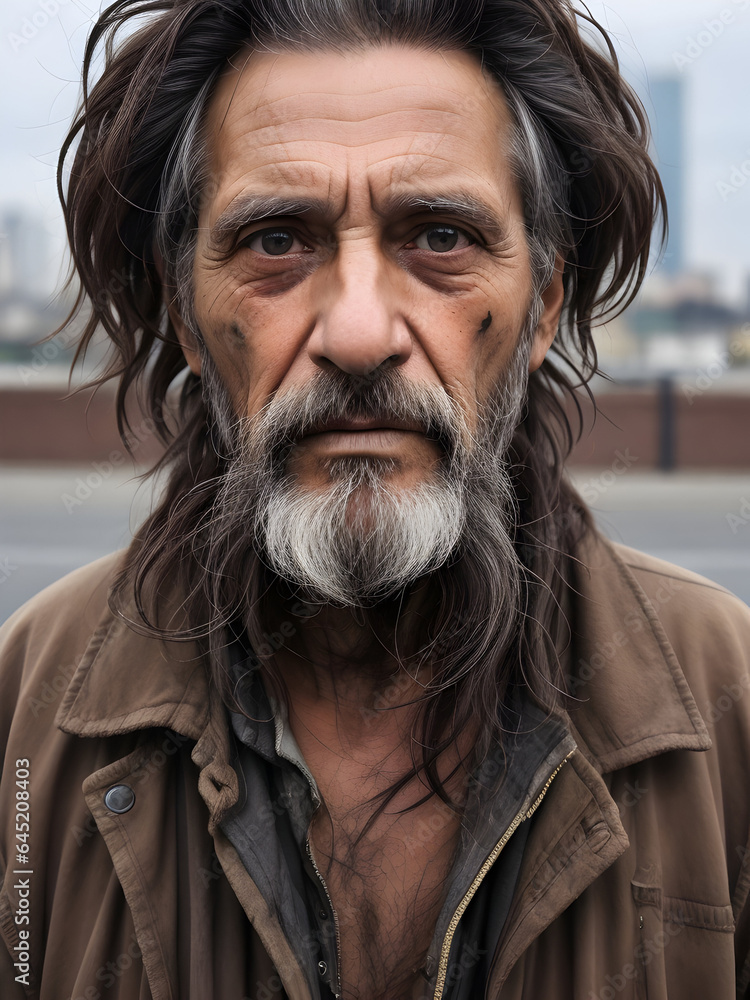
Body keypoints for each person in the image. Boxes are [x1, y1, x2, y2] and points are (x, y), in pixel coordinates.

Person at [1, 1, 749, 998]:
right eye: (277, 241)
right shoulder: (26, 709)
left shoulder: (729, 706)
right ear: (185, 313)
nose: (358, 333)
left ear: (543, 307)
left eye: (440, 235)